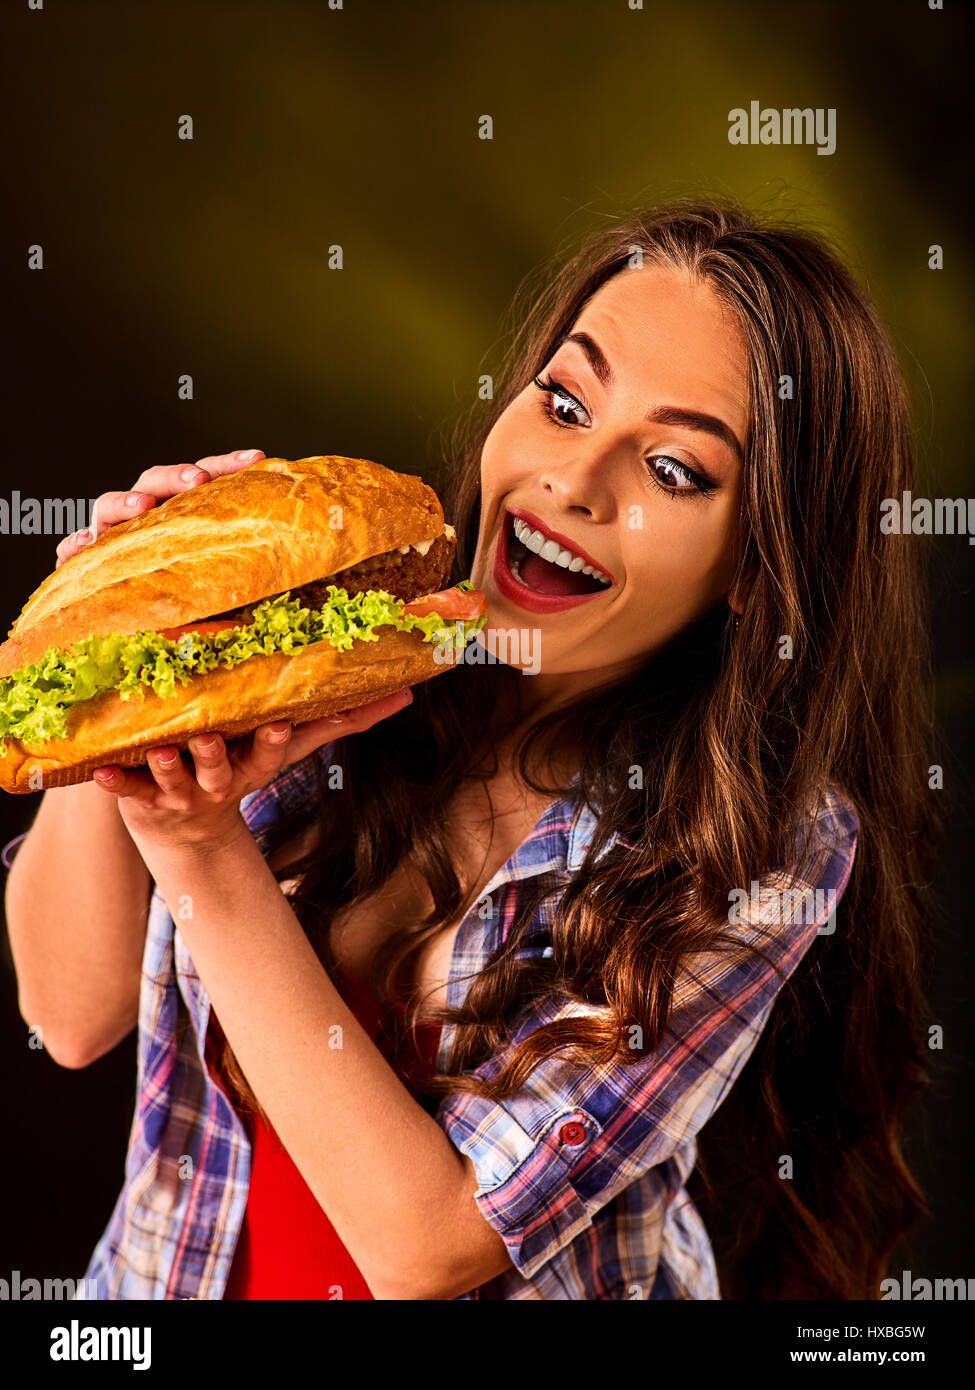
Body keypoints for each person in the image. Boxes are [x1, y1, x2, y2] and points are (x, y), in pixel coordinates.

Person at [3, 199, 939, 1300]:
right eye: (564, 400)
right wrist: (131, 648)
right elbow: (68, 1010)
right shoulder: (331, 627)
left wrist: (202, 849)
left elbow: (428, 1247)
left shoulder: (769, 845)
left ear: (758, 565)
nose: (575, 481)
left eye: (674, 470)